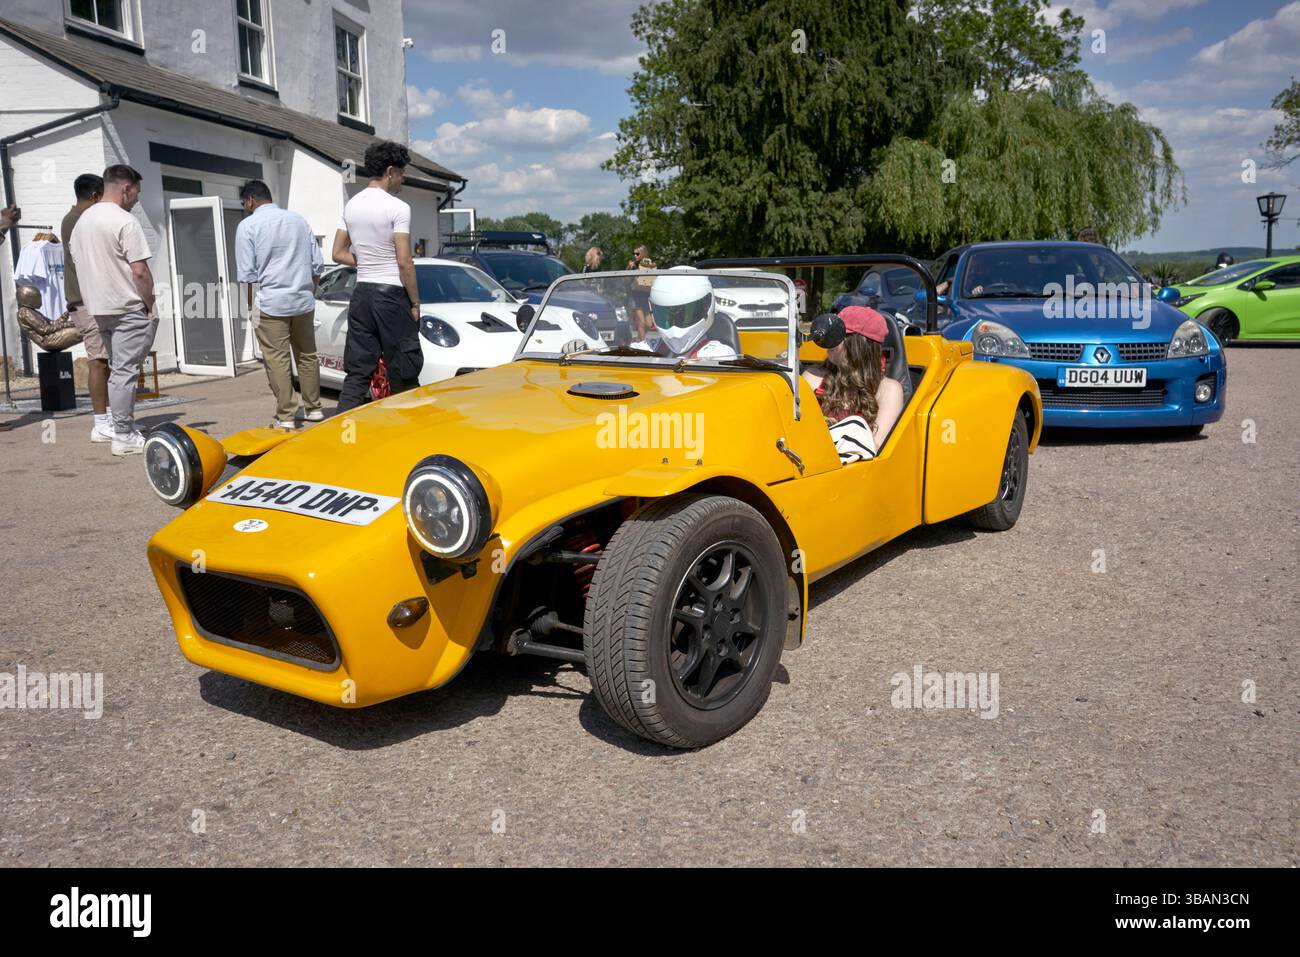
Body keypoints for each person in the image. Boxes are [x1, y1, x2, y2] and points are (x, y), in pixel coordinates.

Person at [68, 164, 156, 456]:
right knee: (124, 371)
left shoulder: (82, 222)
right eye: (137, 193)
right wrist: (150, 303)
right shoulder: (124, 221)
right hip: (127, 305)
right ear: (125, 188)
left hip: (98, 307)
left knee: (117, 368)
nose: (137, 199)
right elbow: (140, 270)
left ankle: (122, 428)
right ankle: (122, 434)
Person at [332, 141, 421, 412]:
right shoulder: (398, 207)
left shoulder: (351, 205)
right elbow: (404, 261)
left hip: (362, 295)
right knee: (402, 371)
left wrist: (367, 261)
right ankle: (406, 437)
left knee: (358, 371)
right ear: (390, 171)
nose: (403, 179)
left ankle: (342, 435)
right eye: (402, 173)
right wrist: (415, 302)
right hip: (392, 295)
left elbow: (337, 253)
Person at [235, 179, 326, 429]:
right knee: (307, 355)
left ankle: (286, 415)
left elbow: (247, 275)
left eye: (244, 203)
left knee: (277, 358)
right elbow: (317, 264)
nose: (245, 207)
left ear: (251, 200)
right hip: (303, 300)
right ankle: (314, 408)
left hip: (270, 303)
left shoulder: (247, 226)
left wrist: (251, 310)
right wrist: (309, 290)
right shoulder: (298, 220)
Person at [801, 305, 904, 460]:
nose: (828, 342)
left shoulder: (889, 389)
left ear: (858, 344)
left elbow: (873, 446)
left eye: (837, 335)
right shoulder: (813, 378)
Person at [60, 173, 111, 441]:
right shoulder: (76, 220)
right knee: (98, 360)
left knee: (105, 359)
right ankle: (101, 423)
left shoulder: (78, 219)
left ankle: (110, 419)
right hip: (84, 300)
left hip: (93, 298)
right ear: (94, 196)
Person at [631, 272, 736, 360]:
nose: (674, 326)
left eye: (681, 316)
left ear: (705, 308)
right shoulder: (651, 347)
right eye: (666, 315)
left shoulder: (719, 354)